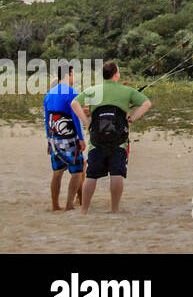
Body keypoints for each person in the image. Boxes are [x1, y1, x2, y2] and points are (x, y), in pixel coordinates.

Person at [71, 61, 151, 214]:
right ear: (116, 74)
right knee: (117, 173)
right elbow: (147, 103)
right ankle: (114, 209)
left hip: (97, 139)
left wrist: (86, 121)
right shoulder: (127, 91)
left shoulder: (93, 90)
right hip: (118, 140)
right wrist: (132, 118)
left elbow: (74, 104)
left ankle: (84, 210)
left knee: (91, 175)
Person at [43, 64, 86, 212]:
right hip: (69, 139)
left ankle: (55, 205)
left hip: (54, 138)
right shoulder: (72, 93)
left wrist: (49, 140)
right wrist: (81, 139)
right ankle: (69, 204)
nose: (74, 78)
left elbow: (46, 119)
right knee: (77, 172)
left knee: (57, 173)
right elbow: (76, 119)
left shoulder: (49, 94)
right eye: (73, 74)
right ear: (68, 75)